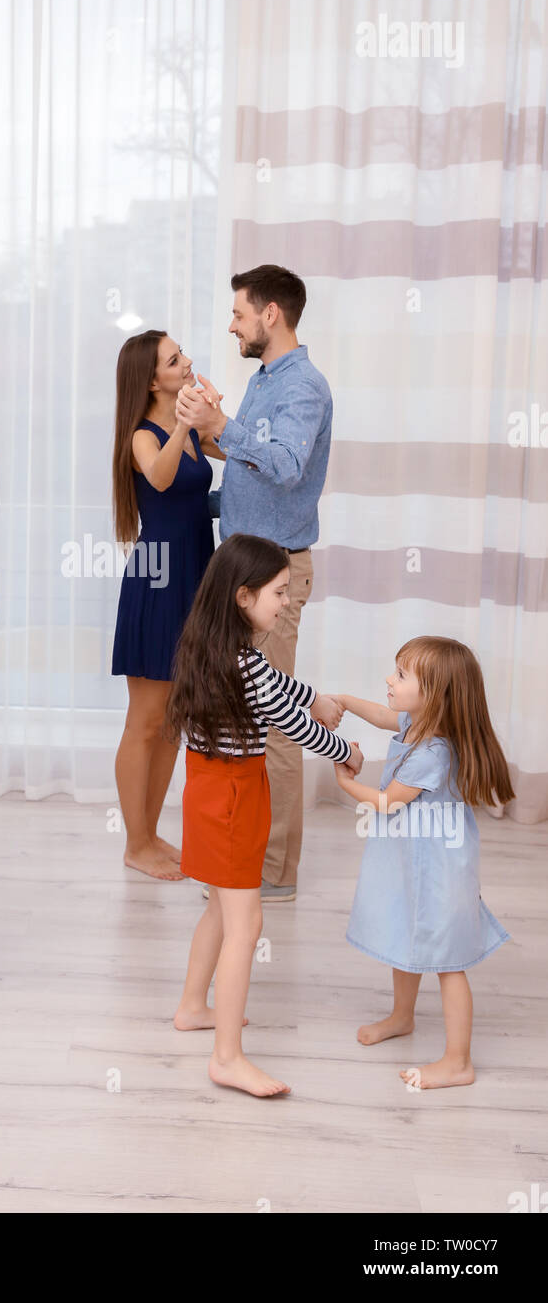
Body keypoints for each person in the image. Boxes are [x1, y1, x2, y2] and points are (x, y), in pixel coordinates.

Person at [165, 535, 363, 1097]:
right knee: (246, 924)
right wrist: (344, 750)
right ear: (243, 596)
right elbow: (289, 723)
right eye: (280, 592)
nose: (286, 602)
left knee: (222, 915)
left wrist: (315, 695)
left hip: (207, 792)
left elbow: (275, 689)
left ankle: (191, 1007)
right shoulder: (246, 666)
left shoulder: (211, 649)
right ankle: (226, 1057)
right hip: (234, 799)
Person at [175, 265, 332, 903]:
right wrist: (211, 435)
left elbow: (289, 468)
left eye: (239, 313)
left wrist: (224, 427)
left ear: (271, 313)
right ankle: (247, 860)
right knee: (245, 711)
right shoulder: (268, 381)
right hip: (244, 572)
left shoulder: (306, 388)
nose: (232, 324)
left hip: (275, 576)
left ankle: (274, 873)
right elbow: (253, 470)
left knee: (276, 718)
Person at [333, 636, 513, 1090]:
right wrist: (342, 702)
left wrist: (343, 779)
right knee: (405, 933)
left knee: (449, 964)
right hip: (416, 862)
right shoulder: (417, 724)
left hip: (439, 874)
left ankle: (458, 1061)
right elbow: (380, 714)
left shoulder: (434, 752)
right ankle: (402, 1017)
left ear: (433, 694)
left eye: (400, 675)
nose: (389, 680)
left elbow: (386, 802)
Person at [111, 330, 223, 880]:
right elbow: (158, 475)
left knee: (174, 720)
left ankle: (151, 833)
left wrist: (215, 417)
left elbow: (234, 454)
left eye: (184, 355)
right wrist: (185, 422)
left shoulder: (192, 431)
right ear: (153, 380)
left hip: (194, 578)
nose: (188, 363)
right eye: (176, 360)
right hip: (157, 582)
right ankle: (135, 842)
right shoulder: (142, 436)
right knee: (146, 719)